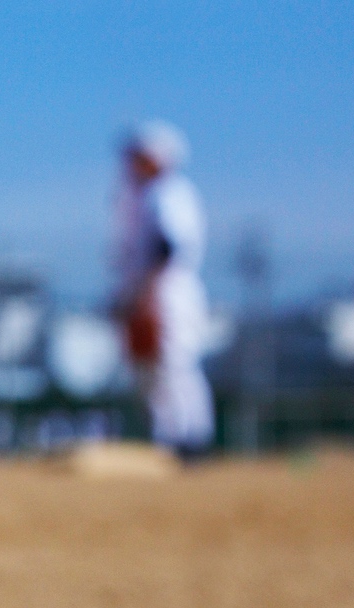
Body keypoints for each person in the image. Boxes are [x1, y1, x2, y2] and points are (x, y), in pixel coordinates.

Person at [112, 120, 214, 460]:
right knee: (150, 369)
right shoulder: (141, 197)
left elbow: (169, 248)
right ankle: (166, 438)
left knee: (176, 364)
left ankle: (191, 438)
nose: (131, 162)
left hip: (169, 289)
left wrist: (144, 294)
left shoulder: (170, 191)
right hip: (151, 288)